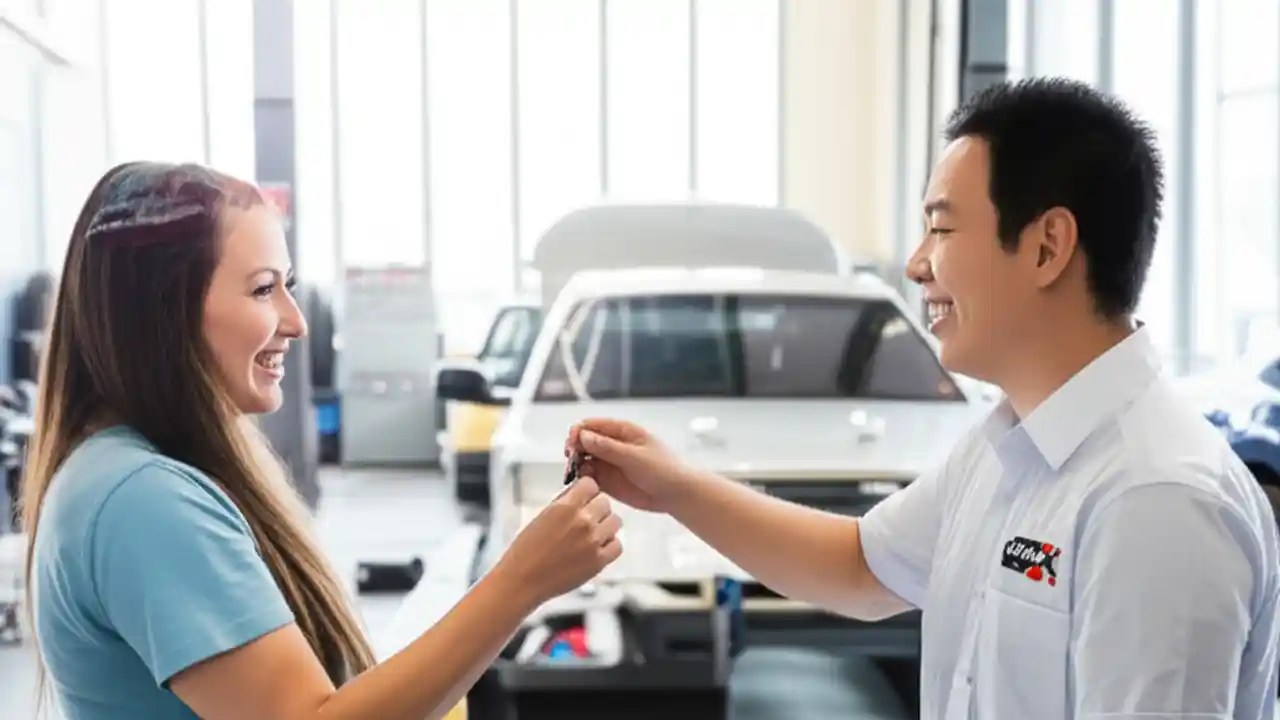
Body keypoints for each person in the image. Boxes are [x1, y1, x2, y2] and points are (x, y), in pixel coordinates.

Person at [567, 78, 1280, 719]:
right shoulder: (1009, 447)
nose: (915, 264)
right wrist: (675, 488)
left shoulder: (1155, 499)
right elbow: (859, 567)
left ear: (1046, 248)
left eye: (940, 227)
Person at [21, 161, 623, 720]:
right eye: (262, 289)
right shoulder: (142, 501)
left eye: (288, 285)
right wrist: (521, 582)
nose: (296, 319)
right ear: (164, 312)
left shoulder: (117, 475)